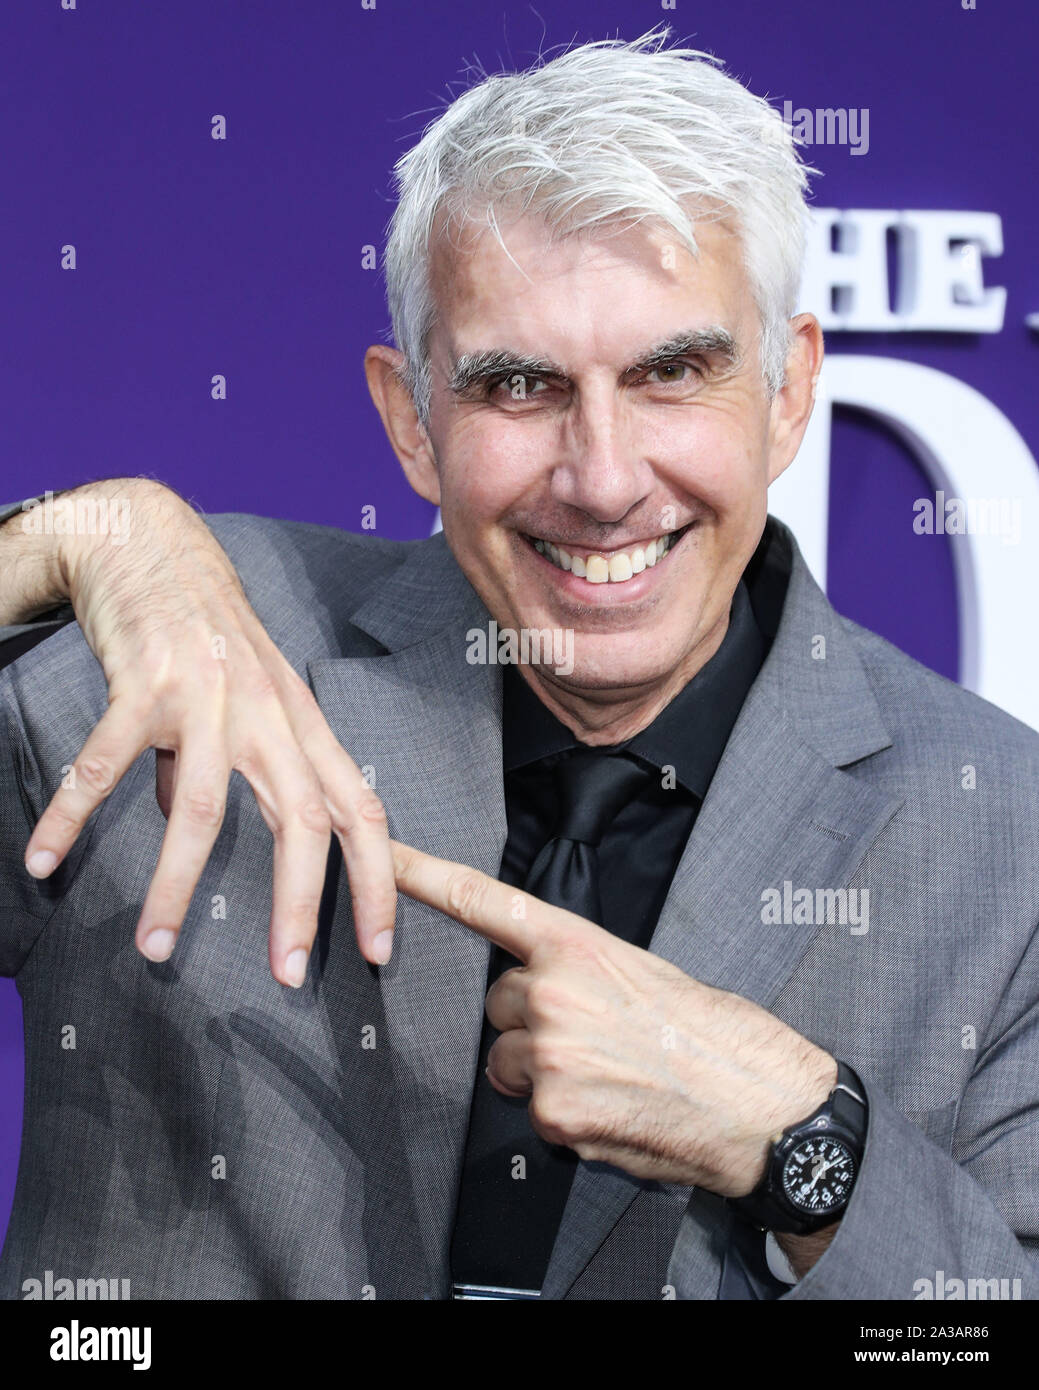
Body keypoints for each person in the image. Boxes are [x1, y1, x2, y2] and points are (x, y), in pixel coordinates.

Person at [1, 31, 1036, 1302]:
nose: (602, 481)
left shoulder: (1010, 842)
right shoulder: (176, 657)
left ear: (786, 393)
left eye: (671, 374)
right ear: (408, 421)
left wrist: (796, 1139)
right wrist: (62, 539)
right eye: (517, 386)